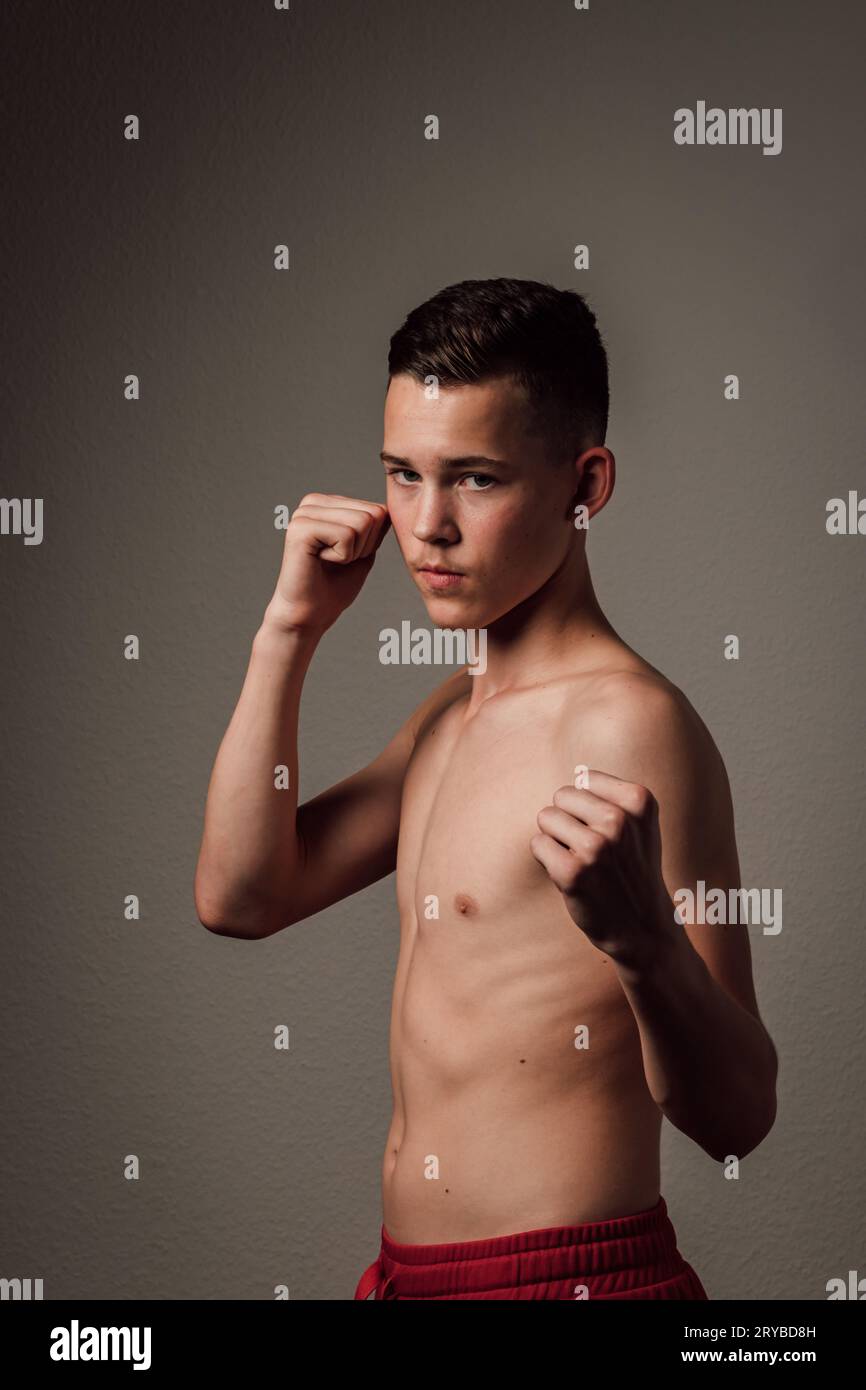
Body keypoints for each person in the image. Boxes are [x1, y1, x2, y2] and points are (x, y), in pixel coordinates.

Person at [194, 277, 778, 1299]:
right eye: (402, 474)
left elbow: (738, 1116)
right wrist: (286, 632)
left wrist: (642, 941)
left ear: (583, 483)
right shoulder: (447, 714)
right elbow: (241, 897)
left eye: (473, 478)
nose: (426, 526)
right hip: (408, 1276)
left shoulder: (627, 722)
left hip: (565, 1282)